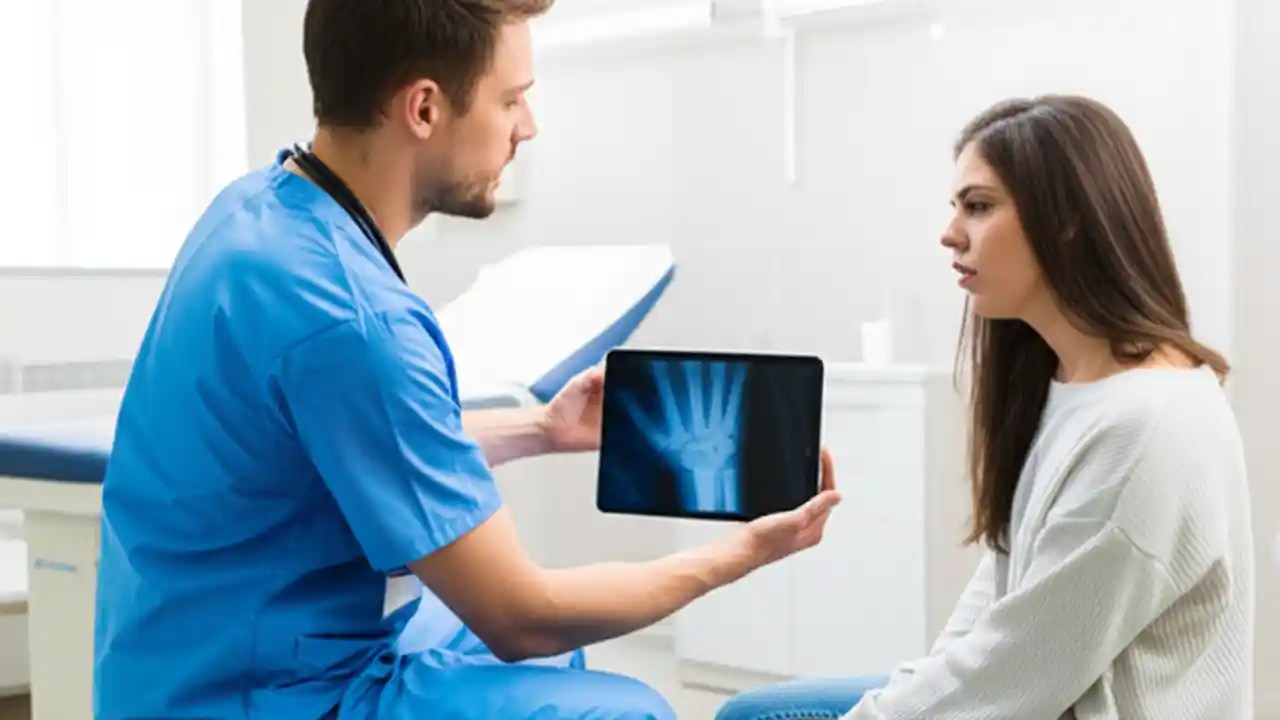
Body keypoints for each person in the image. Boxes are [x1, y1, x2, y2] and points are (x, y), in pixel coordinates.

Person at [90, 1, 842, 718]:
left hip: (180, 659)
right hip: (258, 695)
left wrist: (542, 429)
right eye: (511, 101)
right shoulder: (357, 322)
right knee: (627, 707)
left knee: (553, 664)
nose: (529, 127)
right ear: (423, 108)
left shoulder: (256, 212)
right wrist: (741, 552)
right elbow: (521, 615)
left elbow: (357, 443)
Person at [717, 94, 1255, 719]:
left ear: (1066, 220)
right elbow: (1000, 602)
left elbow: (1013, 673)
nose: (950, 234)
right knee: (754, 711)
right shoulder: (1069, 383)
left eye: (978, 207)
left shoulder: (1143, 430)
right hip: (1028, 690)